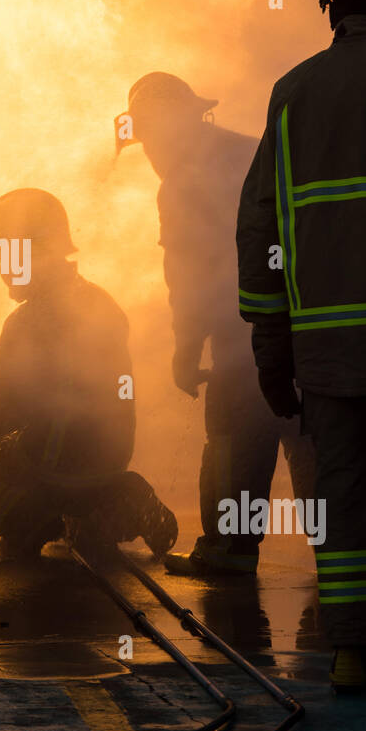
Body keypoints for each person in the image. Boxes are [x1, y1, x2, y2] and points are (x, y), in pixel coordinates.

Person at [237, 0, 366, 693]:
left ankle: (346, 654)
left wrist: (271, 348)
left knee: (340, 505)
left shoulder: (291, 93)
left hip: (323, 353)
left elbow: (258, 229)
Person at [115, 71, 315, 576]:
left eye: (149, 138)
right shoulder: (256, 152)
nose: (149, 152)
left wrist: (186, 349)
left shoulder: (184, 183)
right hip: (310, 323)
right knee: (308, 439)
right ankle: (335, 552)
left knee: (232, 441)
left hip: (244, 330)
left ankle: (227, 551)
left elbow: (191, 275)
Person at [0, 188, 177, 561]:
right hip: (108, 460)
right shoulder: (99, 301)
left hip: (51, 468)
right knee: (68, 476)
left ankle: (33, 521)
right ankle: (109, 502)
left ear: (33, 252)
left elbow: (3, 412)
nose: (2, 268)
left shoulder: (30, 321)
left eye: (7, 254)